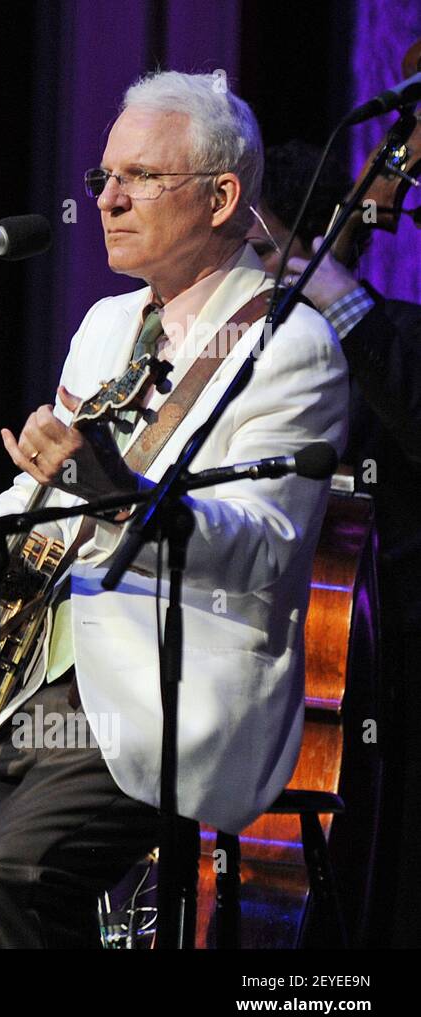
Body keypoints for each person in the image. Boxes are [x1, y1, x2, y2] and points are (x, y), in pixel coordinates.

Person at [0, 71, 349, 948]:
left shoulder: (289, 344)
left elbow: (263, 547)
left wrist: (111, 489)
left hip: (168, 688)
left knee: (5, 872)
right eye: (103, 179)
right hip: (41, 678)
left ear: (223, 196)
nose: (108, 200)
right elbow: (43, 486)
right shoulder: (107, 326)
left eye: (140, 178)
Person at [250, 140, 421, 947]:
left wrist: (338, 296)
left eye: (261, 250)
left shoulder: (398, 342)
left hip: (384, 694)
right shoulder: (224, 360)